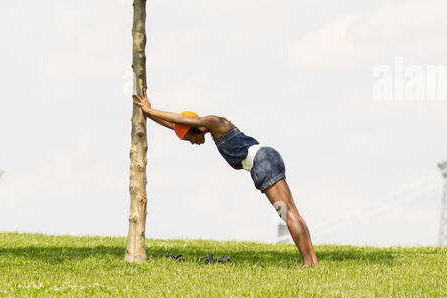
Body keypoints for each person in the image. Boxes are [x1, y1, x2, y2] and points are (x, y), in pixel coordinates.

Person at [134, 94, 318, 267]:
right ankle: (311, 261)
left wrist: (150, 110)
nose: (194, 143)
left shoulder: (214, 121)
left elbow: (179, 120)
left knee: (286, 212)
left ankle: (308, 262)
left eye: (191, 139)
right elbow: (175, 124)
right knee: (289, 211)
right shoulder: (208, 130)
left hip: (262, 161)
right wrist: (148, 113)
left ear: (195, 128)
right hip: (265, 159)